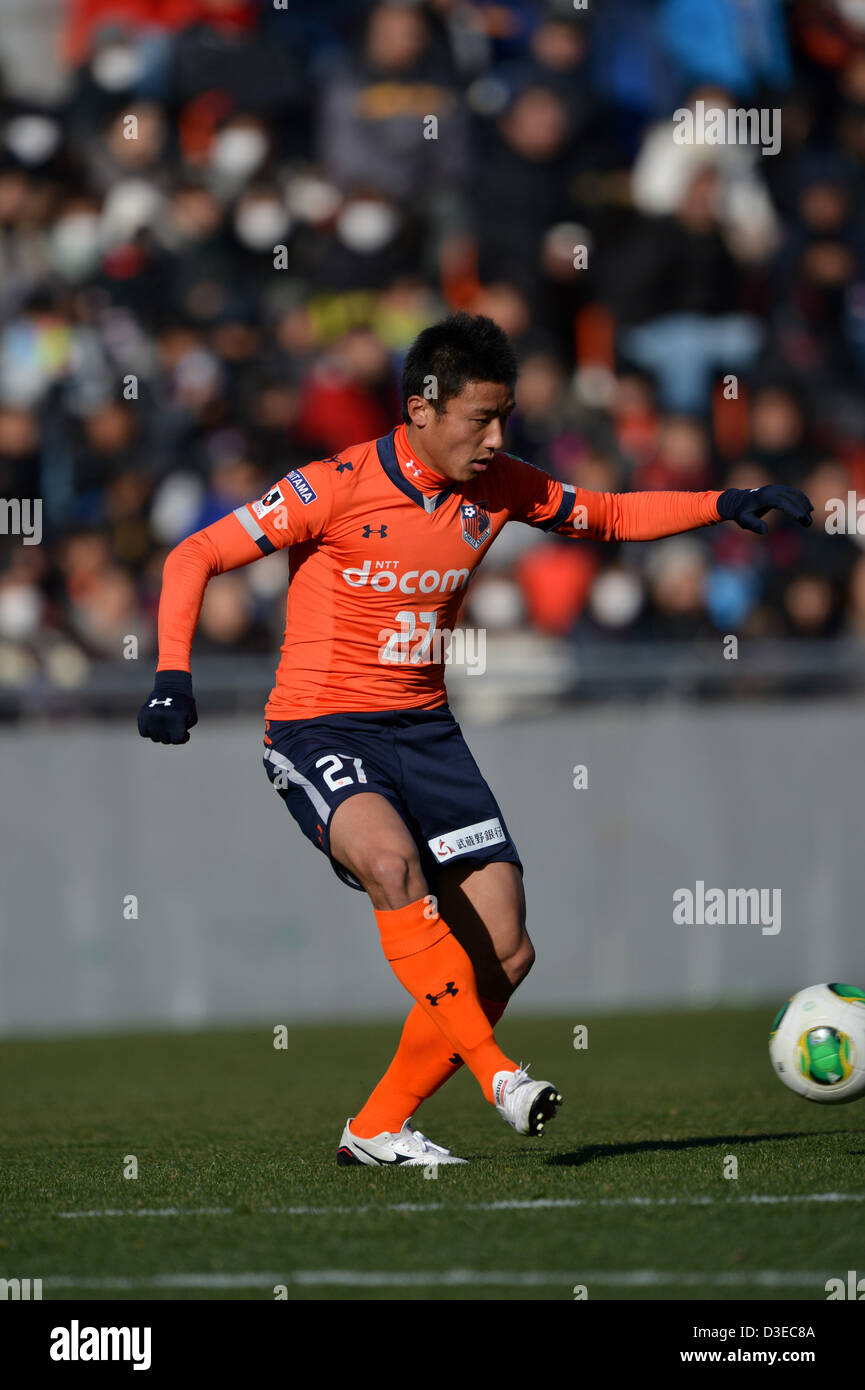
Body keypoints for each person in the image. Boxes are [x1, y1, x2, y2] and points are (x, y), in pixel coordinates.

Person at [138, 312, 813, 1166]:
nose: (497, 439)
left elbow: (602, 515)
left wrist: (725, 501)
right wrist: (171, 675)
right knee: (390, 867)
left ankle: (377, 1127)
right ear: (421, 409)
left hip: (424, 730)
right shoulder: (330, 485)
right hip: (317, 726)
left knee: (506, 946)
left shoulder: (495, 487)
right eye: (479, 419)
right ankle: (499, 1077)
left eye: (506, 419)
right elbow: (193, 555)